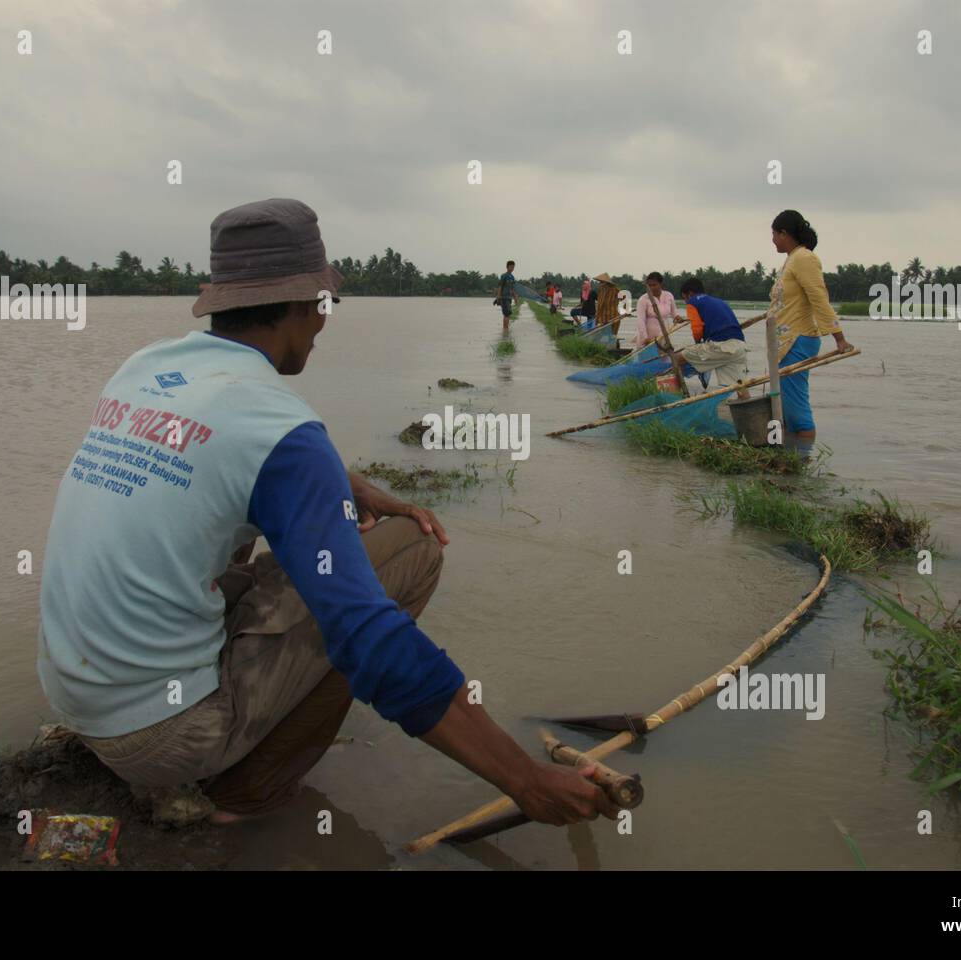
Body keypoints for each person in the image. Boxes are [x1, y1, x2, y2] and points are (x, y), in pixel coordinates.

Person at [38, 200, 614, 829]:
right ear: (307, 304)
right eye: (325, 304)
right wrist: (525, 780)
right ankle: (242, 793)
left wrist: (353, 487)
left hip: (77, 697)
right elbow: (370, 639)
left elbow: (224, 450)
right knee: (408, 555)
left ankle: (190, 721)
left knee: (247, 550)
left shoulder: (145, 369)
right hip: (160, 738)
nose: (324, 322)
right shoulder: (281, 431)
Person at [766, 210, 854, 449]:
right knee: (782, 409)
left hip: (797, 340)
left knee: (796, 412)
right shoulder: (792, 259)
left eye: (774, 234)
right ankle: (788, 459)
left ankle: (803, 463)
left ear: (784, 233)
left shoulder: (804, 258)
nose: (772, 240)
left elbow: (819, 299)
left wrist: (840, 339)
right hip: (783, 343)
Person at [674, 278, 750, 398]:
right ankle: (748, 409)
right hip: (740, 346)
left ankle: (678, 397)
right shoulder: (719, 301)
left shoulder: (692, 302)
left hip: (720, 346)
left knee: (676, 359)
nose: (685, 302)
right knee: (740, 386)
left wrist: (697, 343)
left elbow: (697, 328)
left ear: (690, 294)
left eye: (684, 298)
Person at [634, 271, 679, 348]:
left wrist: (677, 318)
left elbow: (674, 312)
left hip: (664, 336)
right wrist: (645, 338)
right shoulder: (643, 299)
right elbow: (640, 321)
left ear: (660, 284)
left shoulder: (668, 295)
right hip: (648, 340)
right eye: (649, 285)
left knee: (665, 357)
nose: (652, 288)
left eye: (654, 285)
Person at [494, 260, 519, 330]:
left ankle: (506, 329)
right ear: (507, 267)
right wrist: (498, 296)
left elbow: (513, 289)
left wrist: (515, 298)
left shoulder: (512, 277)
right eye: (510, 267)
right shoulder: (504, 276)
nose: (512, 268)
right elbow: (500, 286)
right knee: (506, 314)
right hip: (504, 297)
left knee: (508, 314)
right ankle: (505, 329)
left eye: (513, 267)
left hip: (509, 298)